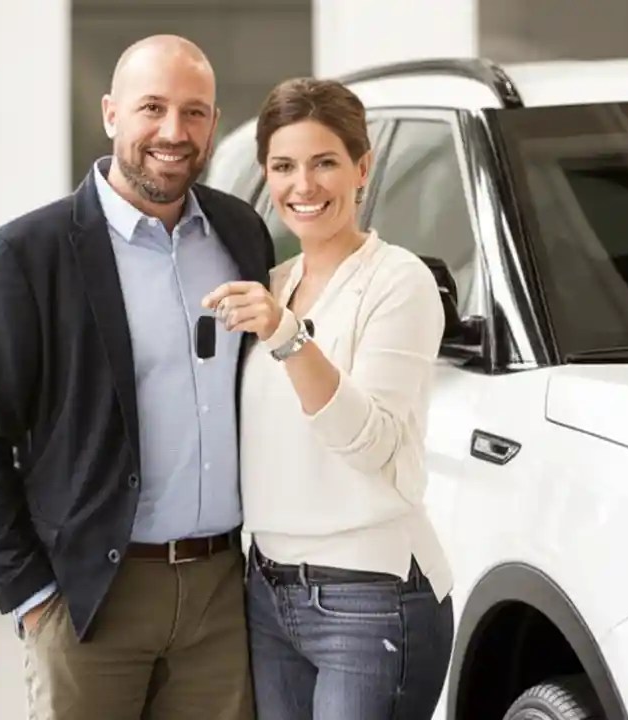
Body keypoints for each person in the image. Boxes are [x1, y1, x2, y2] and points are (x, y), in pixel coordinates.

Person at [0, 34, 274, 720]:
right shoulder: (25, 254)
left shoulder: (241, 233)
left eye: (195, 112)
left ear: (214, 122)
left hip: (220, 593)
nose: (174, 133)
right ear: (111, 114)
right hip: (91, 596)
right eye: (152, 107)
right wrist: (33, 597)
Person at [201, 77, 454, 720]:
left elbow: (371, 443)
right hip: (269, 590)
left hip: (370, 596)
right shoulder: (275, 284)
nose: (303, 186)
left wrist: (289, 338)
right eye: (284, 166)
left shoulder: (398, 281)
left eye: (325, 163)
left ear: (361, 169)